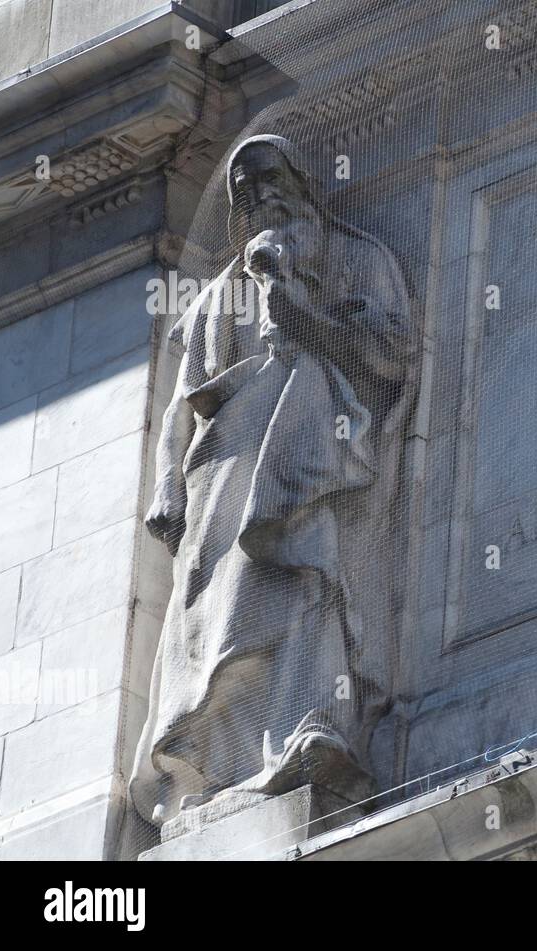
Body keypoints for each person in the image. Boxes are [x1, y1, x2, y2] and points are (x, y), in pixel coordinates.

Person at [130, 134, 416, 826]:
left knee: (308, 572)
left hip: (315, 464)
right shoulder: (216, 302)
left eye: (272, 183)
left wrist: (303, 321)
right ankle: (219, 763)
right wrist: (167, 481)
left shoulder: (359, 259)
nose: (262, 201)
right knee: (221, 615)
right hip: (223, 484)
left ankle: (312, 722)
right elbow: (181, 407)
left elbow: (390, 358)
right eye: (246, 194)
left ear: (303, 187)